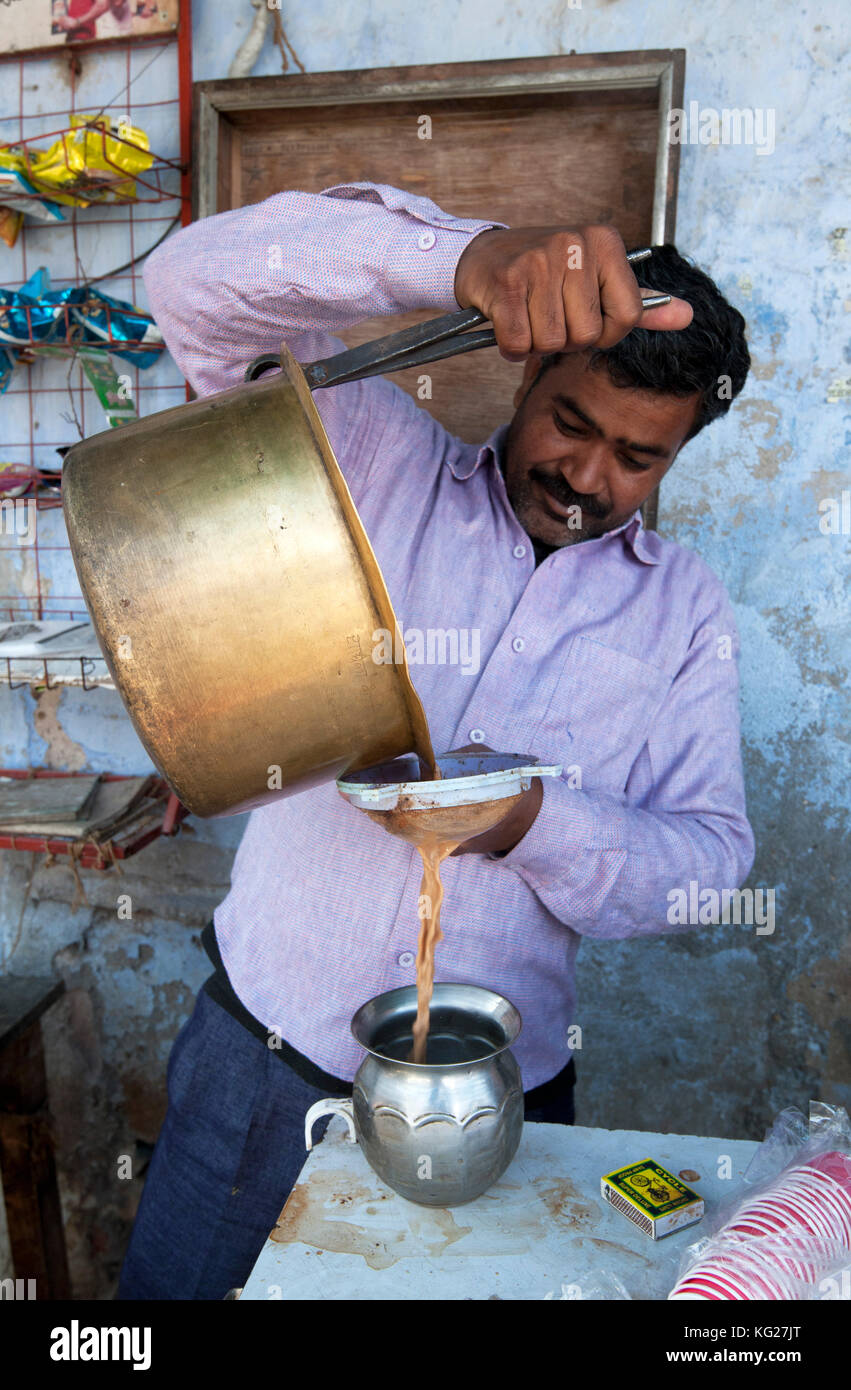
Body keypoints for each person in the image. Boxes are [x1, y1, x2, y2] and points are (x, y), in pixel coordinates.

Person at [117, 182, 754, 1299]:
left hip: (497, 1102)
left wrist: (530, 819)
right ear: (523, 370)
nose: (588, 478)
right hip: (258, 1070)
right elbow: (189, 288)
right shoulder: (365, 451)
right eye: (570, 423)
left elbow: (709, 866)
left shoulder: (683, 613)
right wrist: (469, 260)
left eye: (638, 458)